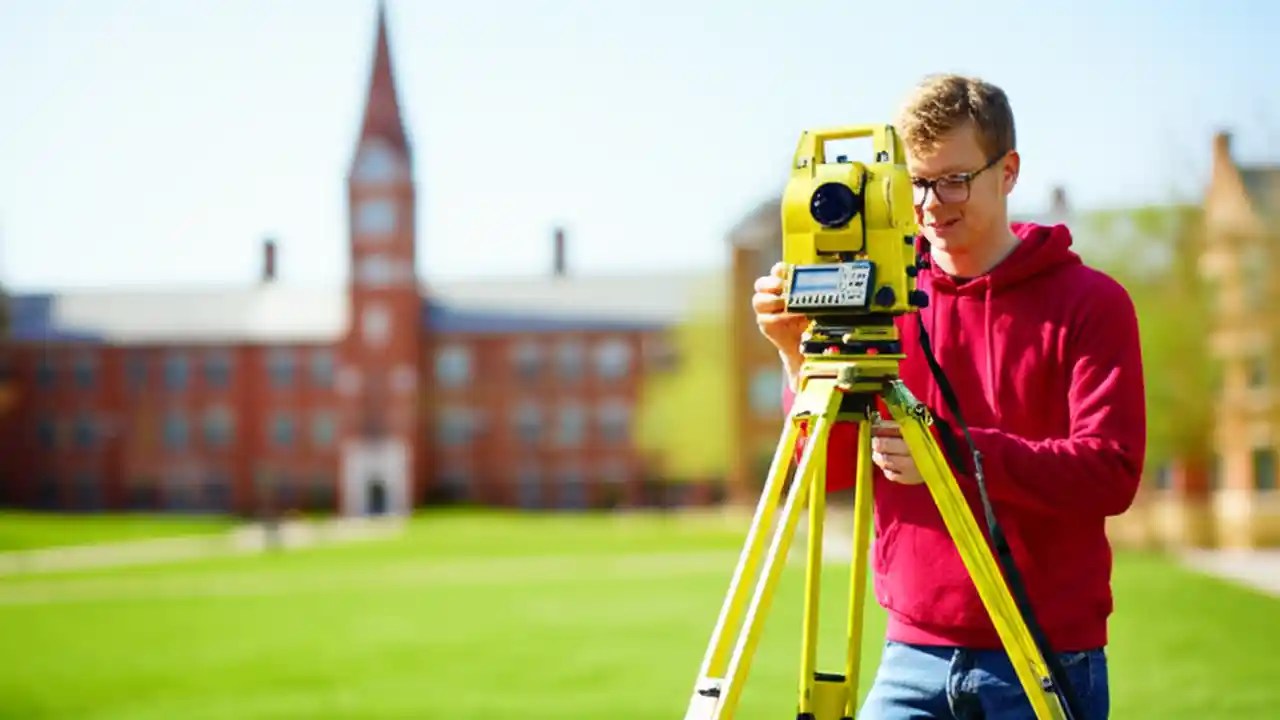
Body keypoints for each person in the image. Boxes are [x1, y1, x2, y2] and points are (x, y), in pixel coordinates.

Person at [751, 74, 1146, 718]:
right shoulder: (884, 302)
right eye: (915, 183)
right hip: (911, 656)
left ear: (1008, 171)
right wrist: (796, 356)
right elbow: (820, 474)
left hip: (1046, 656)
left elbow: (1111, 473)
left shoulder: (1092, 304)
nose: (931, 204)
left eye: (954, 179)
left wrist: (953, 451)